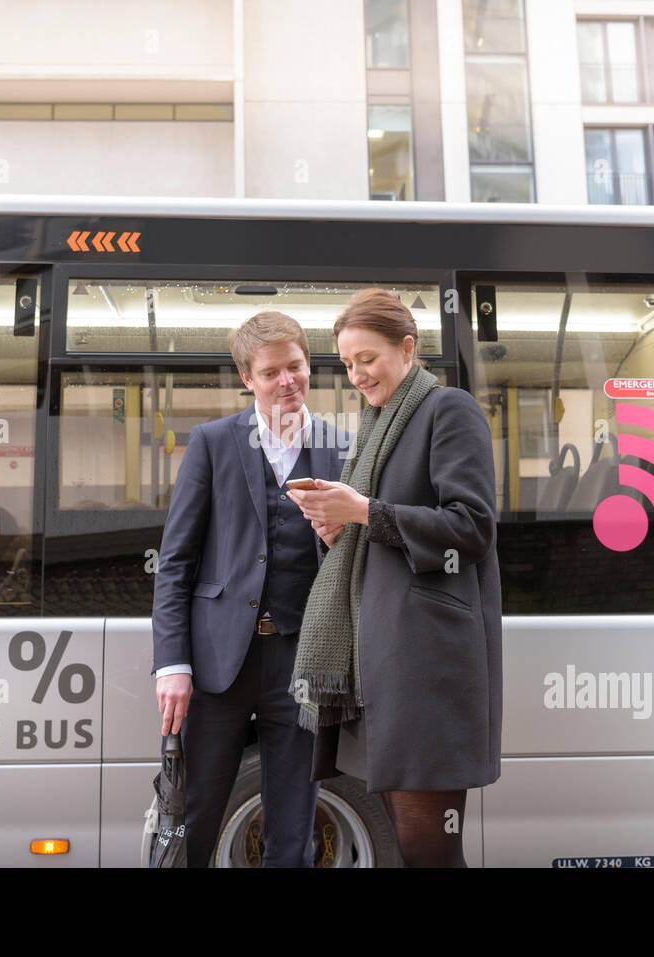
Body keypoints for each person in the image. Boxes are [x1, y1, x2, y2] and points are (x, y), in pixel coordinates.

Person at [287, 287, 502, 868]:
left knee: (428, 844)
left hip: (427, 665)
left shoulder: (447, 409)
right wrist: (337, 528)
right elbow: (383, 529)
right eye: (349, 363)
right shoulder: (378, 422)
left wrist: (361, 512)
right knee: (414, 841)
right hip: (384, 661)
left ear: (408, 349)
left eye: (369, 359)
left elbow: (472, 526)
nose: (357, 374)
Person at [151, 311, 345, 868]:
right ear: (247, 379)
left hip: (302, 664)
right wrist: (172, 665)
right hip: (218, 665)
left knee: (295, 827)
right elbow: (177, 564)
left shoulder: (343, 448)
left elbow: (354, 569)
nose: (287, 381)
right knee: (194, 818)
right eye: (270, 373)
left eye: (296, 367)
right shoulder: (212, 443)